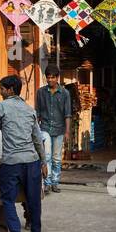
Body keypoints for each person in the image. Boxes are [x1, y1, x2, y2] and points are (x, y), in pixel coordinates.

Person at [0, 74, 46, 232]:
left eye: (2, 89)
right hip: (32, 162)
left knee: (7, 200)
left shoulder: (1, 107)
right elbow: (38, 139)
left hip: (11, 163)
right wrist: (44, 162)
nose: (0, 92)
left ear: (9, 90)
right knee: (33, 200)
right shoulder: (29, 109)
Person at [35, 65, 72, 194]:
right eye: (48, 77)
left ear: (57, 78)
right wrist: (35, 131)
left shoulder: (65, 93)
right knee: (47, 156)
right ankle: (47, 183)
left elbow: (67, 114)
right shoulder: (40, 92)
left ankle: (55, 182)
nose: (50, 80)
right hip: (44, 128)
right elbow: (37, 113)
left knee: (56, 158)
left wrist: (67, 132)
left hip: (60, 130)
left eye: (53, 77)